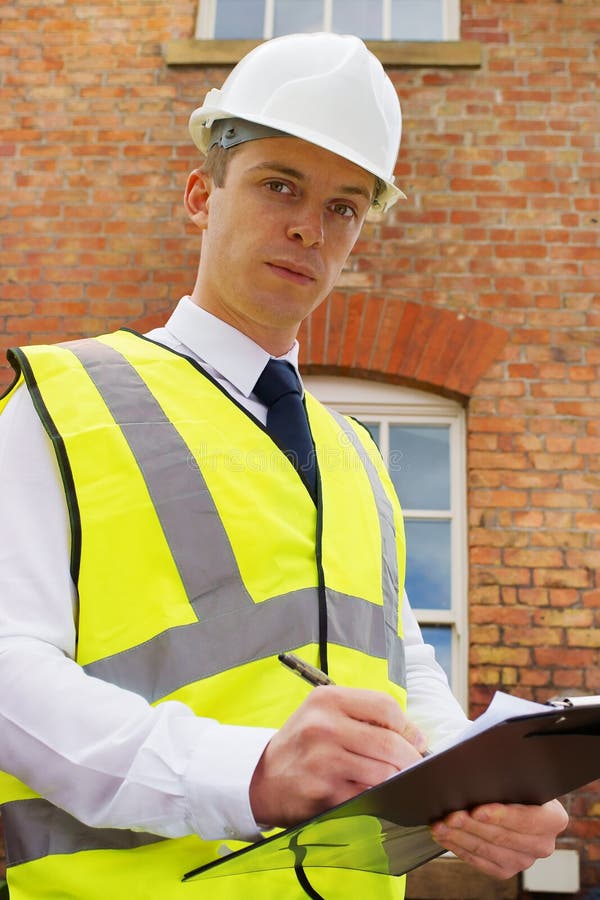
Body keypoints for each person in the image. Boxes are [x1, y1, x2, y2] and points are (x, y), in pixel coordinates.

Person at [0, 32, 567, 900]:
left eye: (345, 206)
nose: (310, 225)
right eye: (279, 185)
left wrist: (478, 786)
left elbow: (403, 666)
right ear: (201, 194)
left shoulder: (356, 459)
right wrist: (249, 771)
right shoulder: (64, 401)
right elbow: (9, 671)